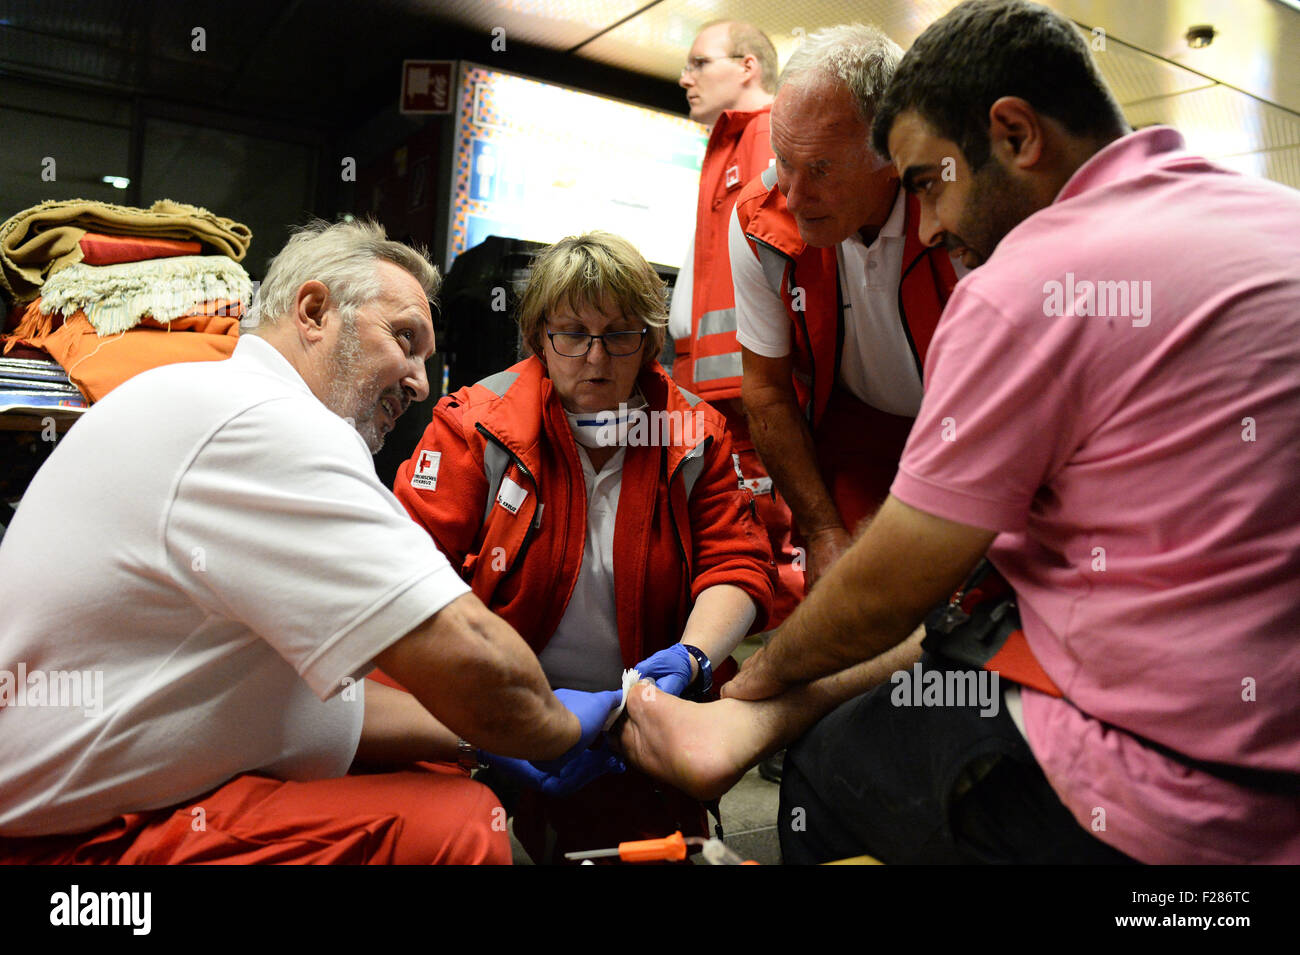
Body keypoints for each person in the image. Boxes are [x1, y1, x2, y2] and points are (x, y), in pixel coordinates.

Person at [617, 0, 1300, 865]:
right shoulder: (1279, 216)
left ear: (1014, 135)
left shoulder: (1024, 281)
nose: (932, 227)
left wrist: (742, 699)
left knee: (830, 767)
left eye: (928, 184)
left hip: (1182, 805)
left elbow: (894, 594)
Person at [0, 219, 625, 864]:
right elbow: (470, 659)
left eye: (426, 359)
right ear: (314, 310)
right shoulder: (267, 423)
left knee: (427, 753)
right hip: (68, 849)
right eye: (404, 340)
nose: (417, 381)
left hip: (76, 802)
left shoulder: (207, 397)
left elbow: (316, 707)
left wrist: (474, 738)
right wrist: (564, 728)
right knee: (462, 825)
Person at [393, 231, 774, 862]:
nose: (595, 359)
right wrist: (491, 723)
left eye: (621, 335)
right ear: (539, 336)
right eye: (571, 334)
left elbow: (735, 563)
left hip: (644, 713)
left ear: (650, 342)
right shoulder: (475, 425)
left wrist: (694, 657)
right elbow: (405, 577)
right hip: (495, 712)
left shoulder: (693, 434)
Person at [732, 22, 961, 598]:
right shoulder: (760, 223)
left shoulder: (959, 207)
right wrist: (823, 529)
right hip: (853, 434)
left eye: (822, 168)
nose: (793, 193)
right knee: (847, 603)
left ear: (893, 152)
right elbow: (766, 392)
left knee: (965, 608)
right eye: (784, 159)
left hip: (966, 427)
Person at [669, 20, 805, 627]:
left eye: (700, 62)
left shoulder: (771, 133)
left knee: (765, 531)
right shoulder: (725, 141)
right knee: (732, 528)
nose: (685, 76)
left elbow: (779, 258)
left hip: (754, 386)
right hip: (719, 388)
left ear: (747, 66)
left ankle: (767, 680)